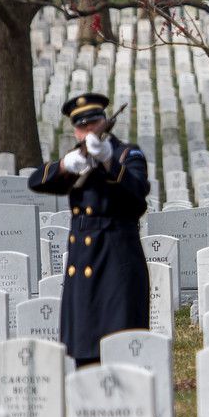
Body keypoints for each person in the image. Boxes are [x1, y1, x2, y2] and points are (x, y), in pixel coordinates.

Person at [27, 92, 150, 366]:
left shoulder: (127, 154)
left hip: (116, 260)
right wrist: (65, 165)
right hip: (83, 264)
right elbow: (37, 181)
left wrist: (108, 161)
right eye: (81, 126)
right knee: (83, 349)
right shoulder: (76, 160)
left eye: (94, 122)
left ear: (105, 122)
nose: (88, 130)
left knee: (121, 347)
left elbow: (138, 194)